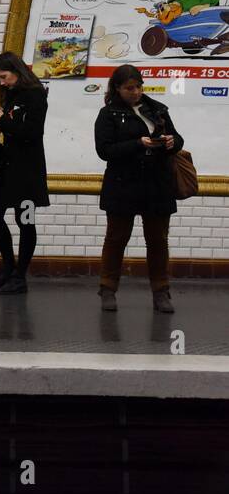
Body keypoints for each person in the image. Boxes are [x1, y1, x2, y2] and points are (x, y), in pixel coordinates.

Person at [94, 64, 183, 313]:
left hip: (157, 184)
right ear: (118, 88)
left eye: (138, 87)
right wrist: (137, 143)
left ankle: (161, 292)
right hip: (123, 184)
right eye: (129, 88)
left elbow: (178, 139)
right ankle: (108, 289)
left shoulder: (157, 109)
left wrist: (171, 141)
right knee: (116, 238)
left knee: (157, 240)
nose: (135, 92)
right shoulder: (108, 114)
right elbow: (104, 151)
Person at [0, 51, 49, 294]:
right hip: (8, 165)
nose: (2, 82)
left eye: (4, 76)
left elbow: (30, 133)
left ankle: (20, 276)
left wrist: (3, 119)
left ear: (17, 72)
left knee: (25, 220)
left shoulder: (37, 94)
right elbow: (11, 128)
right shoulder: (12, 94)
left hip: (28, 169)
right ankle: (8, 267)